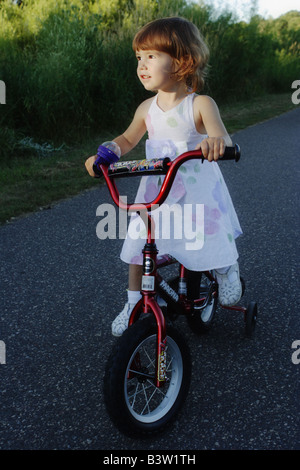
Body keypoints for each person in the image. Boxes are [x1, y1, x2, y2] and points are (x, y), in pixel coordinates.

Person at [85, 16, 243, 337]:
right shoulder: (147, 108)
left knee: (207, 237)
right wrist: (107, 153)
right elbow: (128, 139)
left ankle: (226, 269)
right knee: (138, 246)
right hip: (158, 188)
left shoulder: (199, 104)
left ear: (183, 60)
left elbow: (223, 140)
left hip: (197, 188)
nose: (142, 65)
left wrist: (215, 143)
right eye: (139, 57)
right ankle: (133, 302)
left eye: (152, 56)